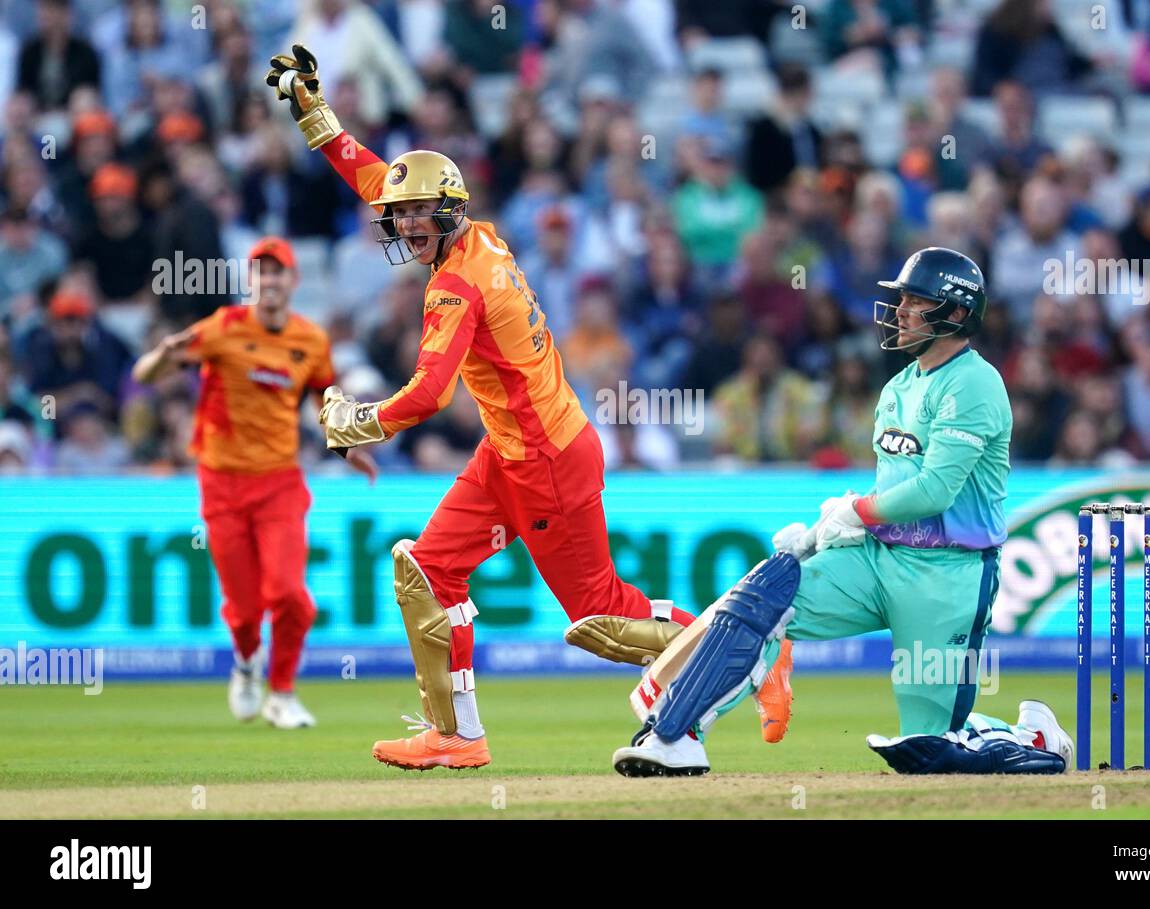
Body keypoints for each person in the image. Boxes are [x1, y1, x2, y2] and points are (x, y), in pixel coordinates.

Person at [265, 45, 753, 771]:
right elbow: (378, 179)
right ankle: (457, 736)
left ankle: (742, 650)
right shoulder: (478, 235)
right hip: (515, 451)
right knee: (425, 573)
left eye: (417, 215)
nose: (404, 226)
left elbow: (429, 394)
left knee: (601, 622)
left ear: (448, 209)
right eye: (399, 217)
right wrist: (318, 116)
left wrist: (352, 423)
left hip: (546, 462)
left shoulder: (455, 285)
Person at [612, 248, 1072, 776]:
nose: (899, 311)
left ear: (956, 313)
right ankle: (674, 735)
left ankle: (1032, 739)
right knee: (768, 593)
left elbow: (935, 491)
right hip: (880, 561)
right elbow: (894, 485)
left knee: (929, 749)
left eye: (916, 301)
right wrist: (830, 532)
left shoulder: (974, 384)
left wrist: (855, 511)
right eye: (899, 299)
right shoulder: (900, 385)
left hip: (950, 576)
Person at [131, 236, 376, 728]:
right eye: (261, 273)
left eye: (278, 272)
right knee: (243, 610)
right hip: (221, 482)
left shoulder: (311, 340)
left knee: (288, 594)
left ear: (292, 281)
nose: (270, 281)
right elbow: (145, 374)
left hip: (280, 482)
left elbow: (322, 402)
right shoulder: (222, 328)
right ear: (251, 282)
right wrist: (164, 354)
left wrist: (348, 448)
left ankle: (282, 692)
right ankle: (246, 665)